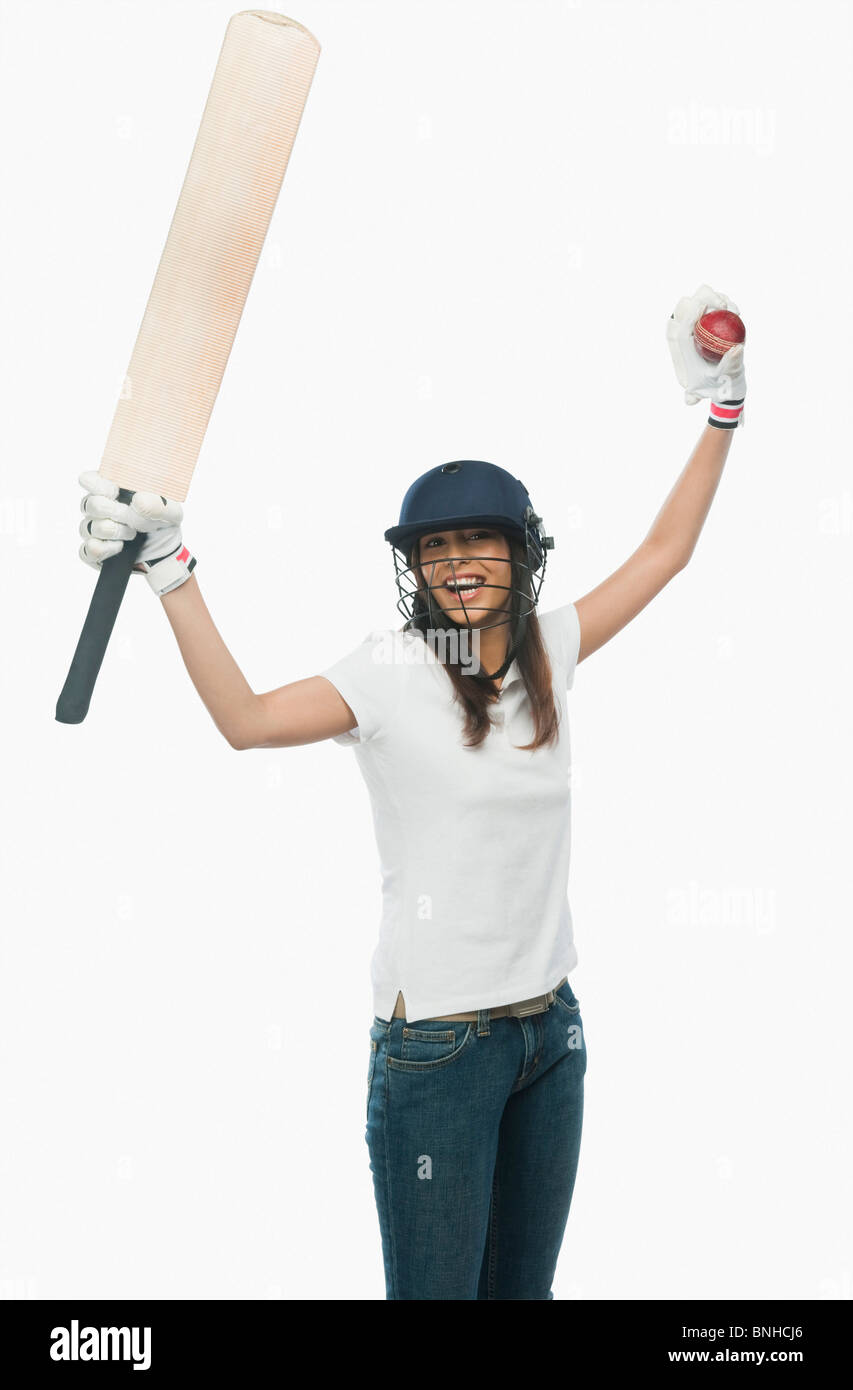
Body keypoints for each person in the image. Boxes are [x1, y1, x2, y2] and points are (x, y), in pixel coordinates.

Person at [75, 283, 746, 1299]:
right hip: (439, 1048)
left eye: (479, 543)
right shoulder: (386, 670)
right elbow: (246, 720)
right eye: (437, 549)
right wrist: (172, 570)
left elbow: (666, 552)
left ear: (520, 556)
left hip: (549, 1034)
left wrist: (724, 407)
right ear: (416, 570)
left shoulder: (549, 648)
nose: (459, 564)